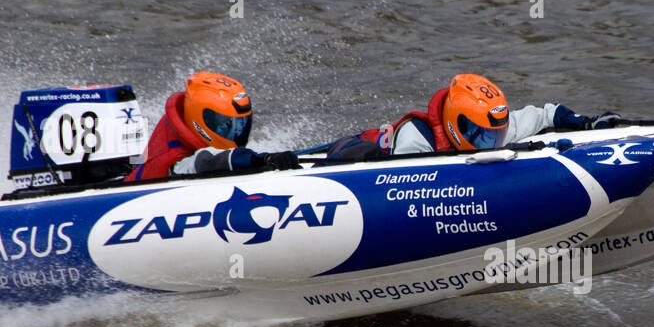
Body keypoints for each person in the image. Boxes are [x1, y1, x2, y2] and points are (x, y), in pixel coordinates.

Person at [325, 73, 624, 161]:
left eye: (496, 134)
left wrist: (587, 121)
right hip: (356, 153)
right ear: (457, 123)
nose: (491, 142)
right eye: (483, 135)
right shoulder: (417, 139)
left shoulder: (493, 128)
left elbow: (544, 114)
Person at [125, 71, 299, 181]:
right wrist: (263, 159)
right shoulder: (179, 161)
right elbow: (209, 161)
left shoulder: (181, 125)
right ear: (199, 121)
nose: (236, 133)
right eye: (226, 125)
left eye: (241, 125)